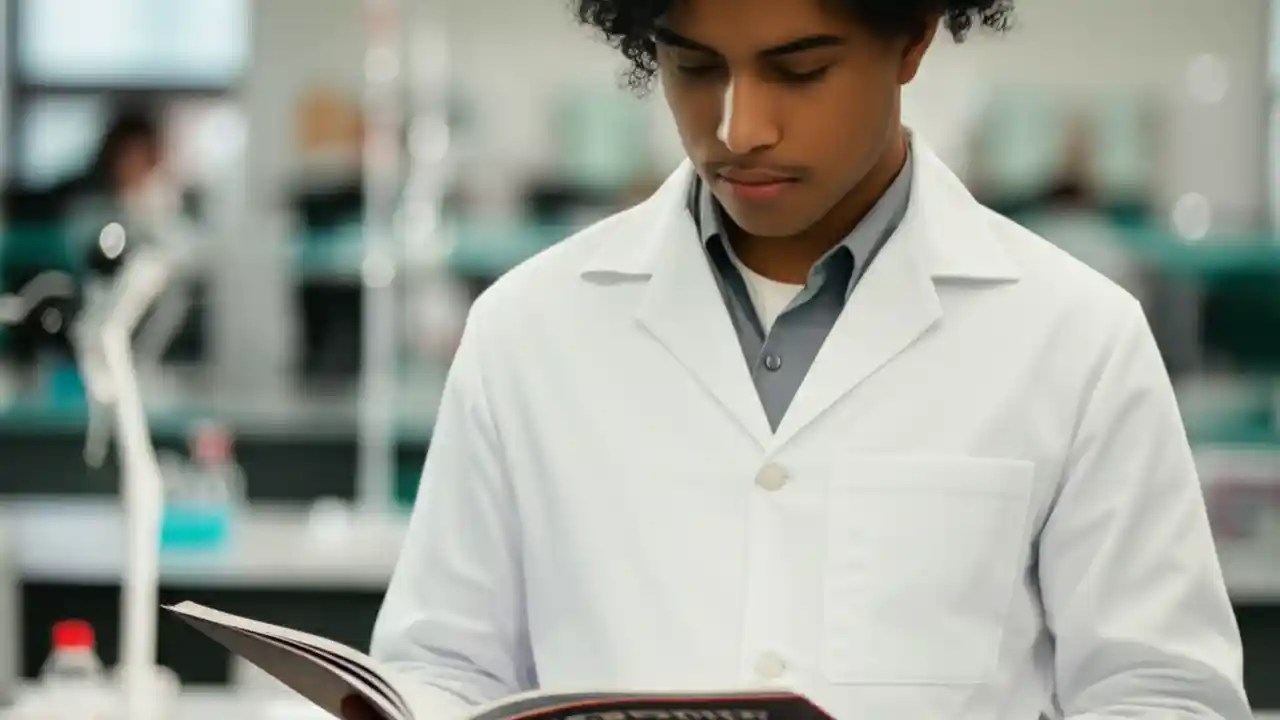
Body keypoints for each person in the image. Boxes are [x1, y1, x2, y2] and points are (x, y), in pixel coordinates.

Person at [348, 0, 1252, 717]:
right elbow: (443, 666)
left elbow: (1164, 695)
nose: (738, 128)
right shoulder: (526, 330)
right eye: (694, 66)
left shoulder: (1077, 339)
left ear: (913, 38)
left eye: (800, 69)